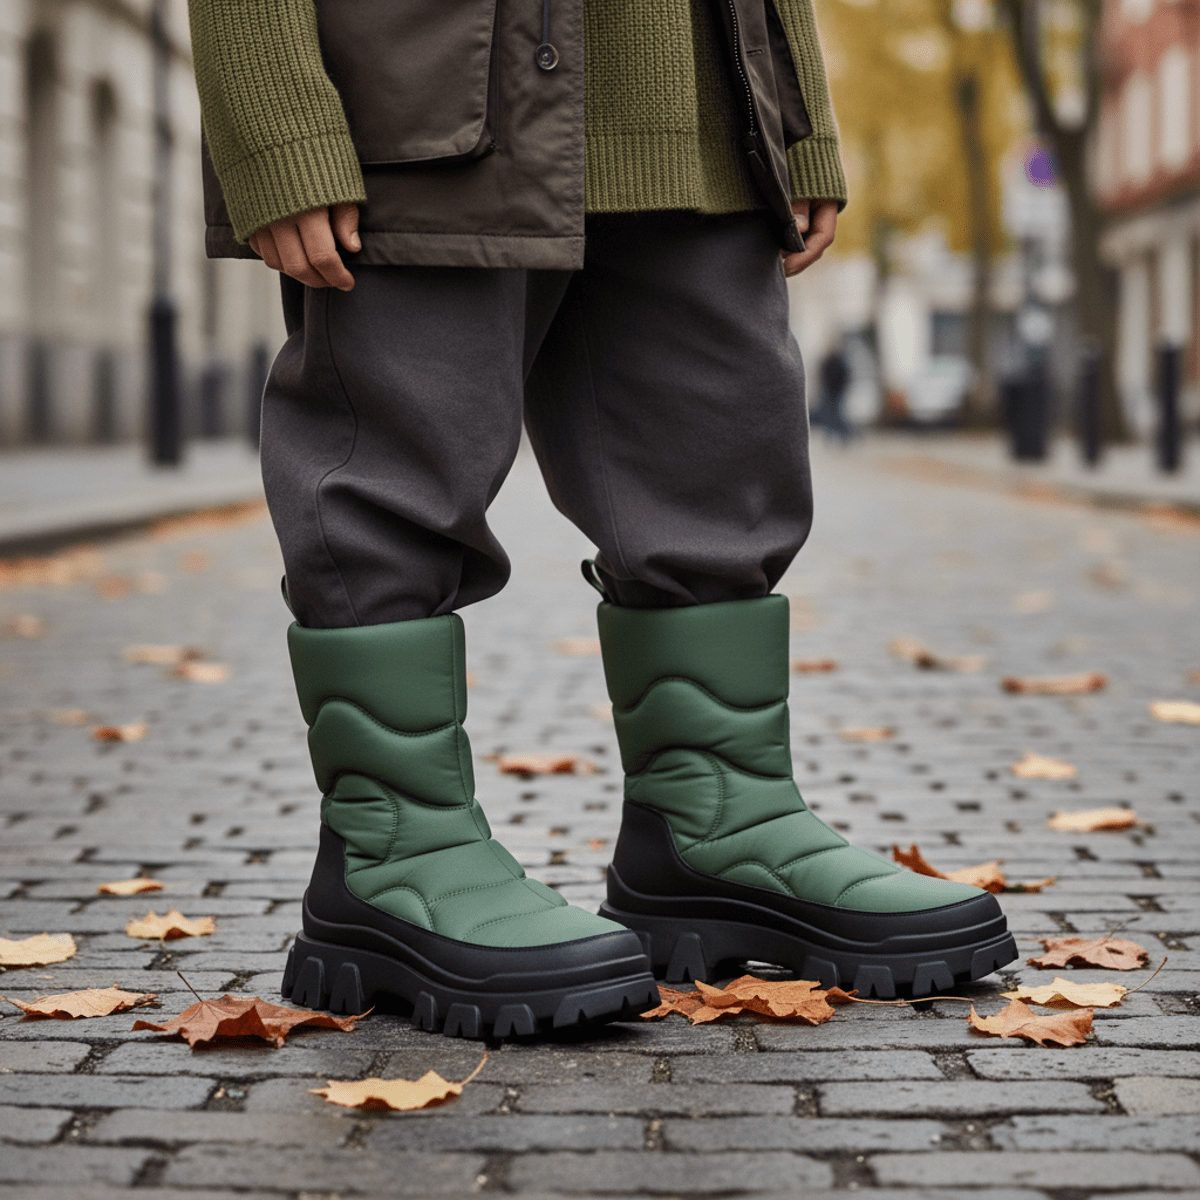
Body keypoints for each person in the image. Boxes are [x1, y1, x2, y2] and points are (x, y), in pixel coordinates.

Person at [187, 0, 1016, 1040]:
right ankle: (392, 852)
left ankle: (718, 825)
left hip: (696, 97)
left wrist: (796, 116)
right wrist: (278, 133)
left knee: (717, 469)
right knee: (393, 478)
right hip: (424, 92)